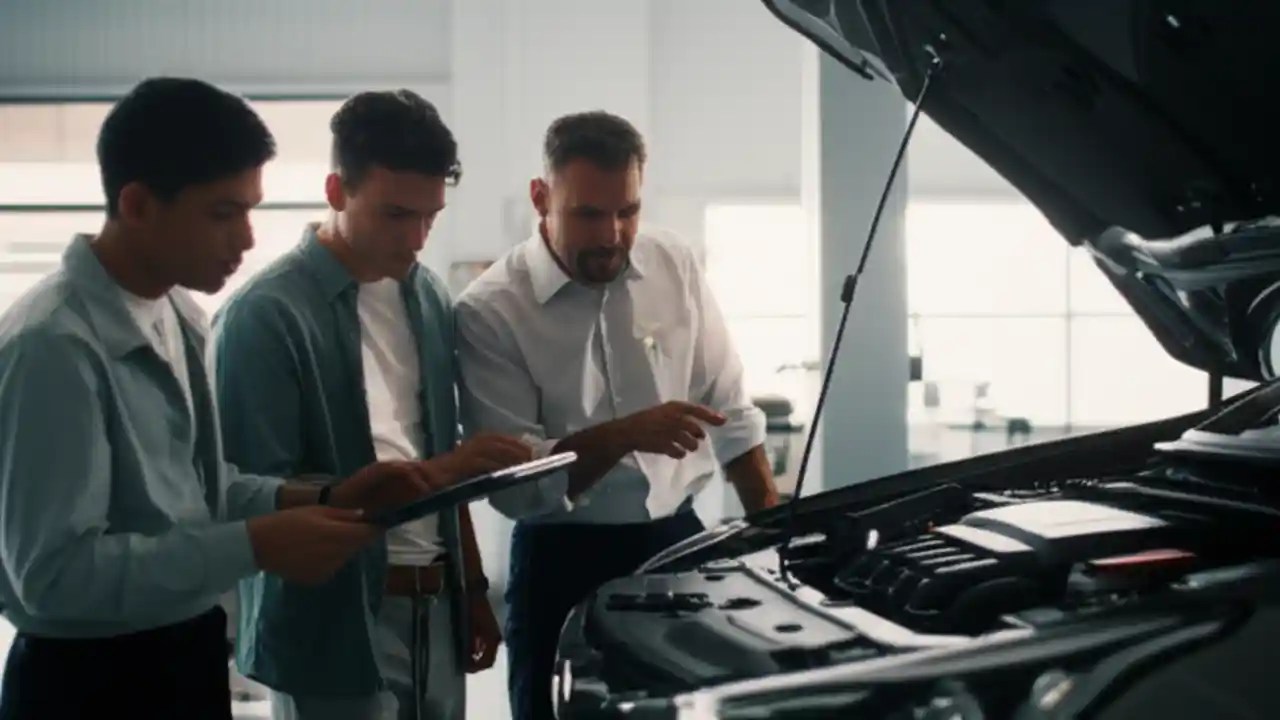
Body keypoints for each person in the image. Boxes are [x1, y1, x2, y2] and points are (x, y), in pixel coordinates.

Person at [0, 77, 442, 720]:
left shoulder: (177, 311)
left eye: (250, 210)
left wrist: (320, 498)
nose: (246, 239)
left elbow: (199, 493)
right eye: (222, 213)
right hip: (88, 683)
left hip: (178, 654)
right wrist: (257, 545)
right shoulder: (53, 348)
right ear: (138, 204)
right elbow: (54, 578)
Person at [211, 89, 528, 720]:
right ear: (336, 191)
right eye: (395, 215)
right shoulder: (264, 317)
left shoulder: (429, 298)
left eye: (430, 217)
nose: (416, 238)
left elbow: (441, 453)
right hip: (332, 617)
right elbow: (242, 496)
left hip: (435, 609)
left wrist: (469, 587)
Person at [455, 110, 782, 720]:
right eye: (588, 214)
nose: (611, 234)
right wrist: (622, 436)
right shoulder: (489, 311)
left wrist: (776, 524)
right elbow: (515, 488)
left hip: (680, 545)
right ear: (540, 197)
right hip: (560, 559)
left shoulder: (673, 261)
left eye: (627, 211)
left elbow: (730, 402)